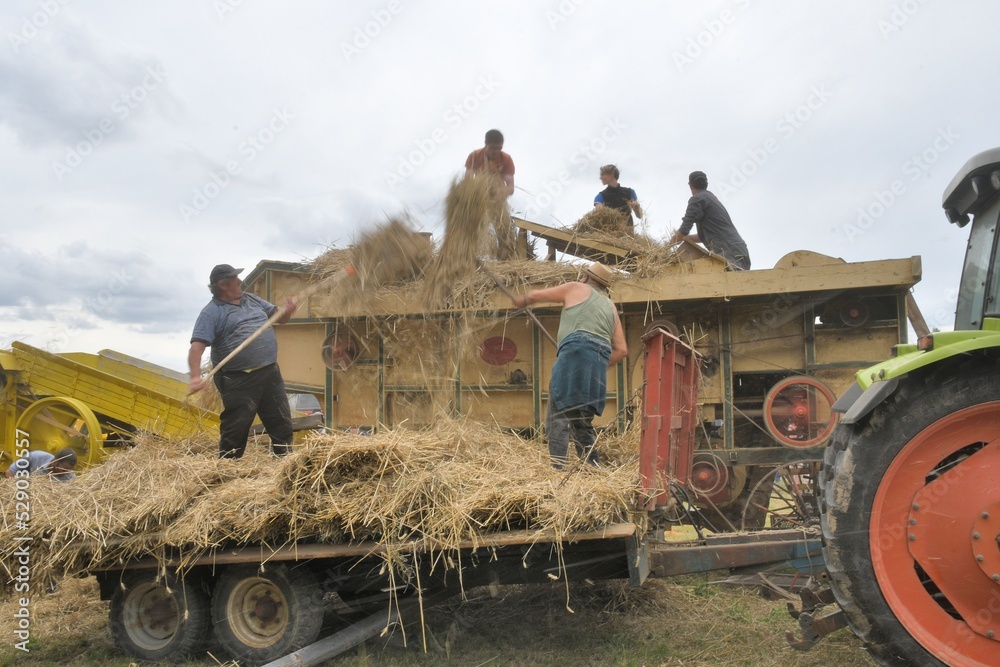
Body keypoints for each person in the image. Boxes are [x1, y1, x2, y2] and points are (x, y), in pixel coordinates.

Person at [510, 263, 627, 469]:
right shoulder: (611, 307)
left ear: (584, 277)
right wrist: (594, 364)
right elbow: (622, 350)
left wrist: (523, 300)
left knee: (557, 417)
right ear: (605, 286)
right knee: (582, 422)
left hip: (575, 353)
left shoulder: (575, 287)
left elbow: (538, 295)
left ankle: (558, 469)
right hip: (597, 364)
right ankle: (593, 469)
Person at [188, 264, 298, 459]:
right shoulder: (211, 313)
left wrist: (287, 310)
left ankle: (285, 463)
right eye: (235, 279)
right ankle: (228, 467)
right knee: (236, 427)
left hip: (269, 372)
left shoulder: (252, 300)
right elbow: (197, 347)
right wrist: (196, 377)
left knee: (281, 422)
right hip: (238, 379)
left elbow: (280, 318)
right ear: (223, 285)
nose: (240, 281)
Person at [672, 170, 751, 270]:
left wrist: (667, 245)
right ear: (706, 184)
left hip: (728, 250)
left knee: (731, 282)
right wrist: (684, 238)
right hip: (739, 249)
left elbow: (684, 229)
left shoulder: (697, 199)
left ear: (690, 185)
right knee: (740, 283)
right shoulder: (711, 198)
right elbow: (702, 237)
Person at [465, 129, 515, 196]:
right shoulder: (474, 156)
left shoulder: (506, 159)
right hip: (478, 196)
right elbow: (468, 180)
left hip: (498, 199)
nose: (496, 152)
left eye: (499, 148)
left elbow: (510, 188)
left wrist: (495, 193)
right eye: (493, 148)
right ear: (486, 143)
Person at [593, 164, 642, 229]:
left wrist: (636, 207)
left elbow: (639, 216)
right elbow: (599, 216)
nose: (600, 177)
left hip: (628, 235)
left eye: (602, 174)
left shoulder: (629, 192)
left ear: (611, 175)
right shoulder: (600, 197)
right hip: (610, 235)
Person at [5, 448, 77, 482]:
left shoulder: (71, 476)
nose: (67, 472)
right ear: (55, 462)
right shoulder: (34, 457)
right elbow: (9, 472)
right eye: (64, 469)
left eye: (70, 469)